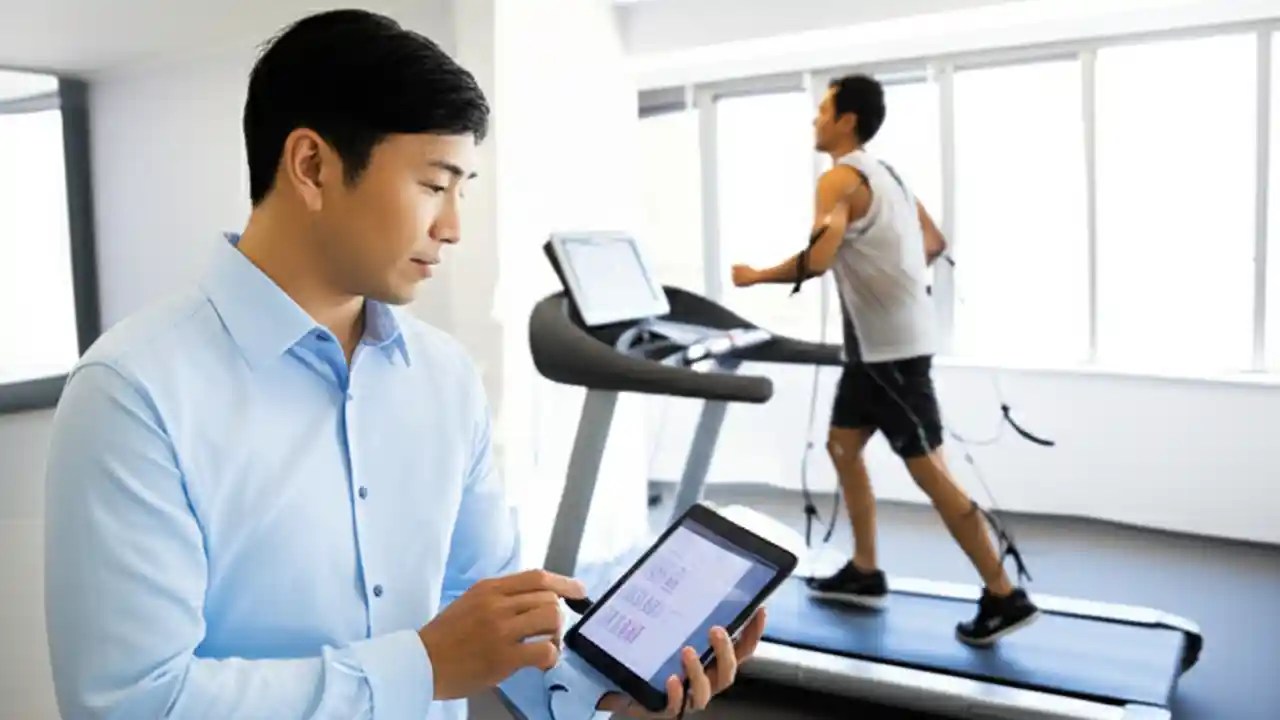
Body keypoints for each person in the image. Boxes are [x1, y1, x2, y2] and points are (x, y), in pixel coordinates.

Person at [43, 10, 762, 719]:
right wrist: (419, 665)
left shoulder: (445, 378)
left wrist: (605, 700)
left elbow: (480, 611)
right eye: (433, 184)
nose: (452, 227)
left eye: (462, 189)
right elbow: (132, 702)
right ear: (312, 166)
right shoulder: (133, 393)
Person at [730, 74, 1039, 646]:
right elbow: (933, 242)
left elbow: (820, 257)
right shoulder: (889, 175)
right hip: (876, 354)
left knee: (932, 475)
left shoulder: (839, 180)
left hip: (891, 360)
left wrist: (754, 277)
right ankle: (865, 571)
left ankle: (1003, 593)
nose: (815, 119)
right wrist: (884, 269)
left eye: (823, 109)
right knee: (842, 447)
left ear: (847, 120)